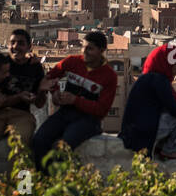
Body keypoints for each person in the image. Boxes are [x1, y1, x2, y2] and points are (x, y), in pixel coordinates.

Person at [31, 32, 118, 171]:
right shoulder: (72, 62)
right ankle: (42, 182)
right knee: (39, 140)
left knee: (64, 147)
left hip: (89, 120)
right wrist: (55, 93)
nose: (84, 52)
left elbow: (102, 110)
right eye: (83, 47)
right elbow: (50, 77)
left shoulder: (109, 76)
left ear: (102, 51)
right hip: (65, 113)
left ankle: (58, 184)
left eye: (90, 48)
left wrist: (75, 100)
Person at [0, 29, 46, 170]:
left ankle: (24, 189)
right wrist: (20, 96)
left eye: (21, 43)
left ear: (29, 46)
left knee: (22, 145)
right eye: (12, 42)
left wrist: (42, 91)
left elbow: (40, 104)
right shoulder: (1, 64)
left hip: (22, 115)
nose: (15, 46)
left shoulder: (35, 67)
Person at [120, 43, 176, 161]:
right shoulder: (159, 80)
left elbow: (168, 97)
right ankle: (169, 149)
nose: (174, 76)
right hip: (143, 134)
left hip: (134, 132)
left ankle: (161, 147)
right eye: (174, 71)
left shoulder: (149, 77)